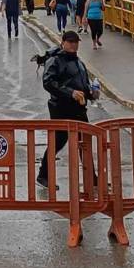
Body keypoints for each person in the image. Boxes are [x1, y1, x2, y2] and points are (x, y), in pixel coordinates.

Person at [36, 30, 94, 190]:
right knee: (58, 142)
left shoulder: (78, 61)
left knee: (85, 142)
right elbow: (48, 82)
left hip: (79, 109)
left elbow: (82, 83)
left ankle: (92, 178)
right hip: (61, 108)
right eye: (70, 42)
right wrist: (70, 93)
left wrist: (91, 93)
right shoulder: (55, 60)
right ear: (63, 42)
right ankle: (43, 175)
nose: (74, 45)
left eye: (76, 42)